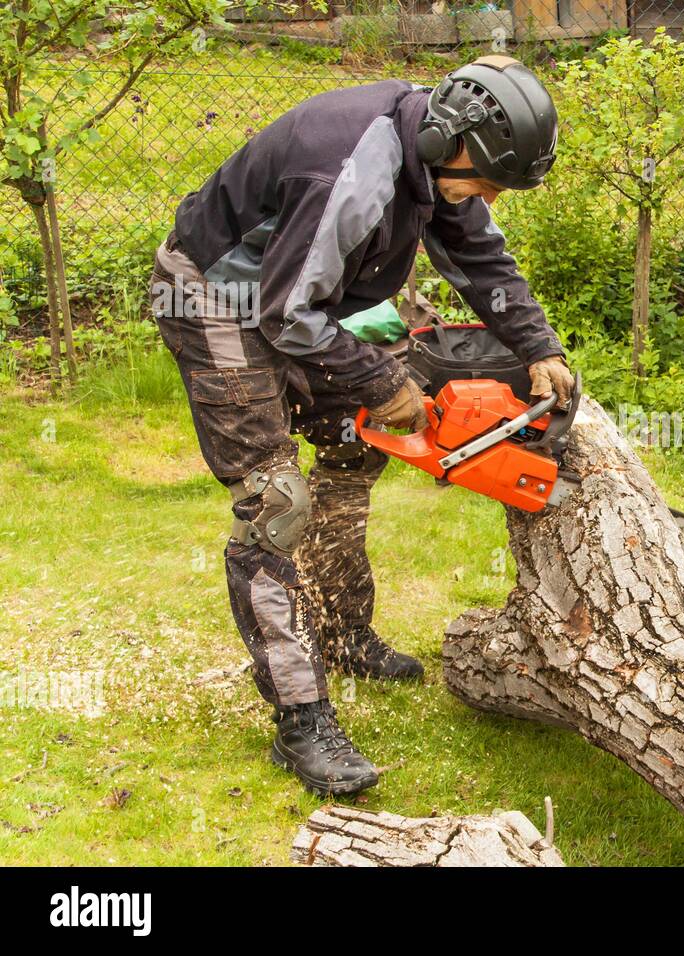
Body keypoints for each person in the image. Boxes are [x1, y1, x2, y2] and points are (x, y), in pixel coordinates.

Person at [149, 56, 574, 796]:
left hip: (293, 303)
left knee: (351, 451)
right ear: (450, 140)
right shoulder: (349, 169)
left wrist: (539, 349)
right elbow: (287, 313)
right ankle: (301, 718)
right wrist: (381, 381)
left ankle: (342, 633)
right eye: (489, 180)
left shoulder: (435, 156)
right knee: (276, 503)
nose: (491, 196)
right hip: (217, 299)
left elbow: (479, 255)